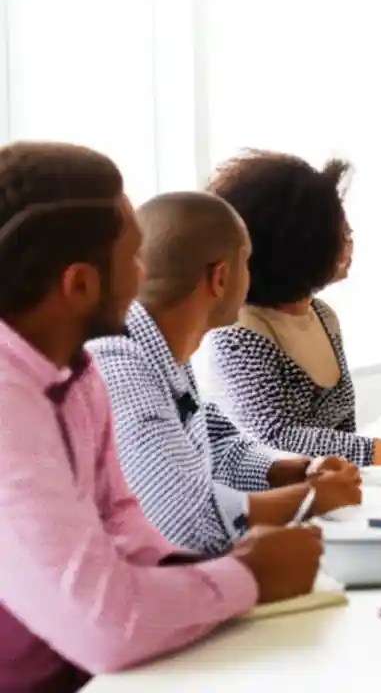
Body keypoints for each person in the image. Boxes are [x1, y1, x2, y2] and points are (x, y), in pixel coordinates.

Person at [0, 142, 319, 692]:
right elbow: (105, 626)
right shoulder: (9, 403)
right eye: (134, 257)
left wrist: (211, 574)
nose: (148, 273)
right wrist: (250, 576)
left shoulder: (77, 373)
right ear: (80, 284)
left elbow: (126, 525)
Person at [88, 192, 363, 556]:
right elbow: (188, 526)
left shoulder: (165, 349)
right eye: (247, 262)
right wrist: (310, 498)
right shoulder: (124, 374)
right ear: (220, 278)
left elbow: (213, 443)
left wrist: (290, 471)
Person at [204, 151, 381, 466]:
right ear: (293, 245)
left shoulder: (323, 316)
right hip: (264, 507)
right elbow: (272, 438)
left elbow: (344, 425)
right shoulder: (239, 331)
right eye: (339, 232)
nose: (349, 241)